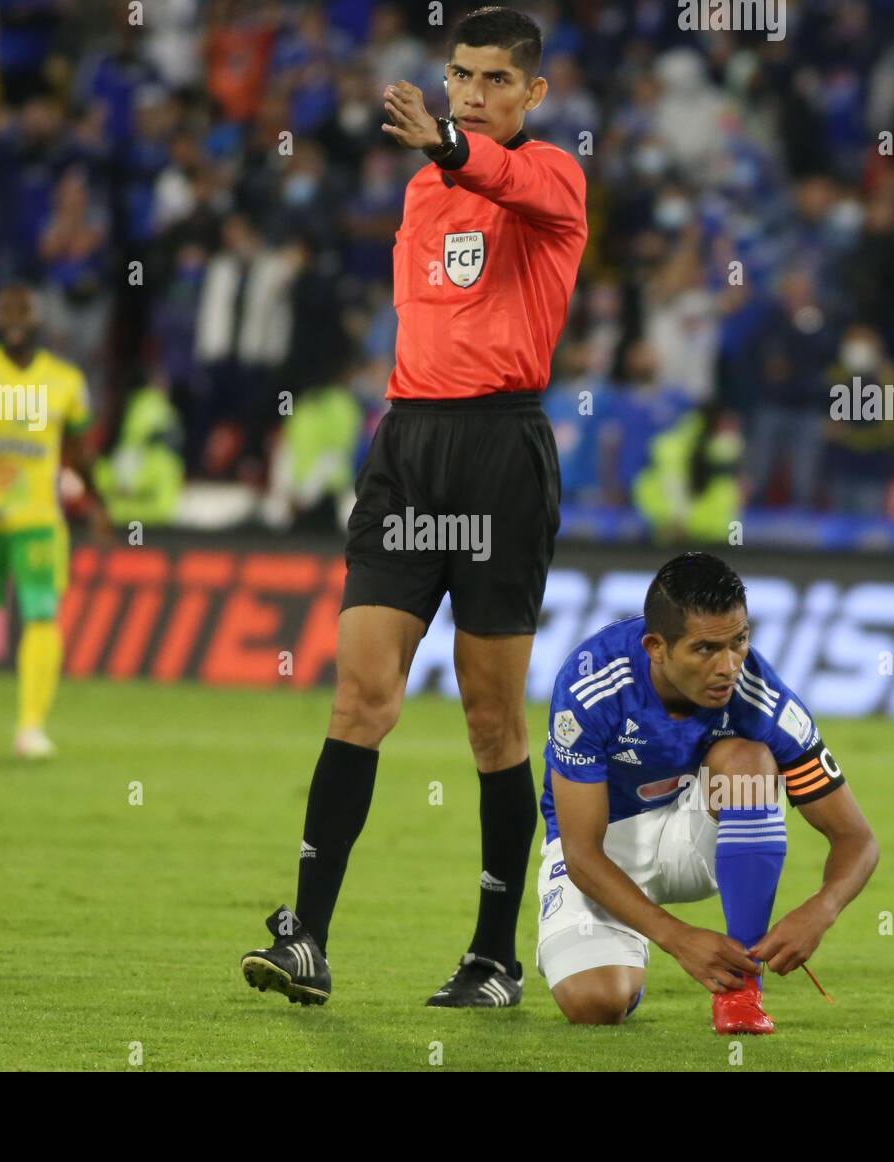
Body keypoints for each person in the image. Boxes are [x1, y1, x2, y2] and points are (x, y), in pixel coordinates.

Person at [241, 6, 587, 1008]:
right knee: (361, 693)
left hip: (500, 454)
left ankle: (492, 957)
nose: (473, 94)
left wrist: (450, 145)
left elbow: (504, 175)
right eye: (459, 77)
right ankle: (306, 935)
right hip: (408, 447)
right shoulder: (419, 193)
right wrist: (440, 154)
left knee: (490, 717)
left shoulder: (553, 176)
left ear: (533, 93)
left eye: (493, 81)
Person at [537, 553, 878, 1030]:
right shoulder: (592, 684)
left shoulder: (759, 696)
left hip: (696, 837)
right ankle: (624, 958)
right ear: (657, 647)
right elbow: (580, 854)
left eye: (739, 642)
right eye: (705, 650)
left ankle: (741, 993)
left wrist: (822, 909)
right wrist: (677, 938)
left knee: (748, 761)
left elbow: (856, 838)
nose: (728, 666)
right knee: (596, 1004)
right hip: (604, 853)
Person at [0, 283, 110, 760]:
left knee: (40, 614)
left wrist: (97, 503)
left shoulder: (66, 381)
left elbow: (78, 453)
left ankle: (31, 727)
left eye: (24, 309)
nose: (14, 315)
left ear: (39, 318)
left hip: (38, 518)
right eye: (5, 307)